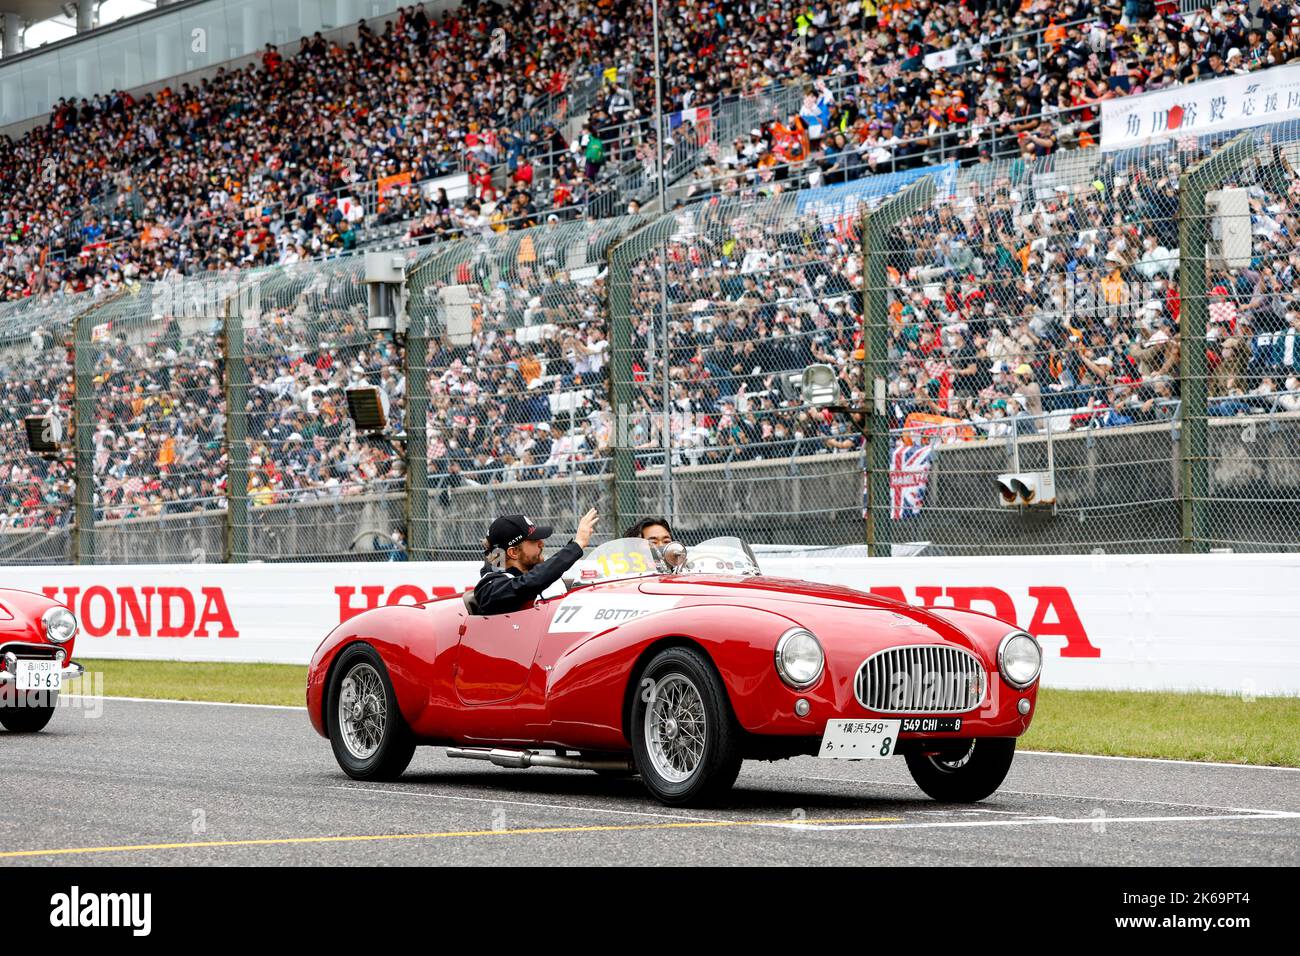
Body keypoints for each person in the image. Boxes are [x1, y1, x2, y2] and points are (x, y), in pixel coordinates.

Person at [473, 509, 599, 616]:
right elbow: (529, 583)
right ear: (514, 552)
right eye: (534, 540)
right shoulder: (490, 590)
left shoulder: (517, 573)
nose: (542, 543)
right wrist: (577, 545)